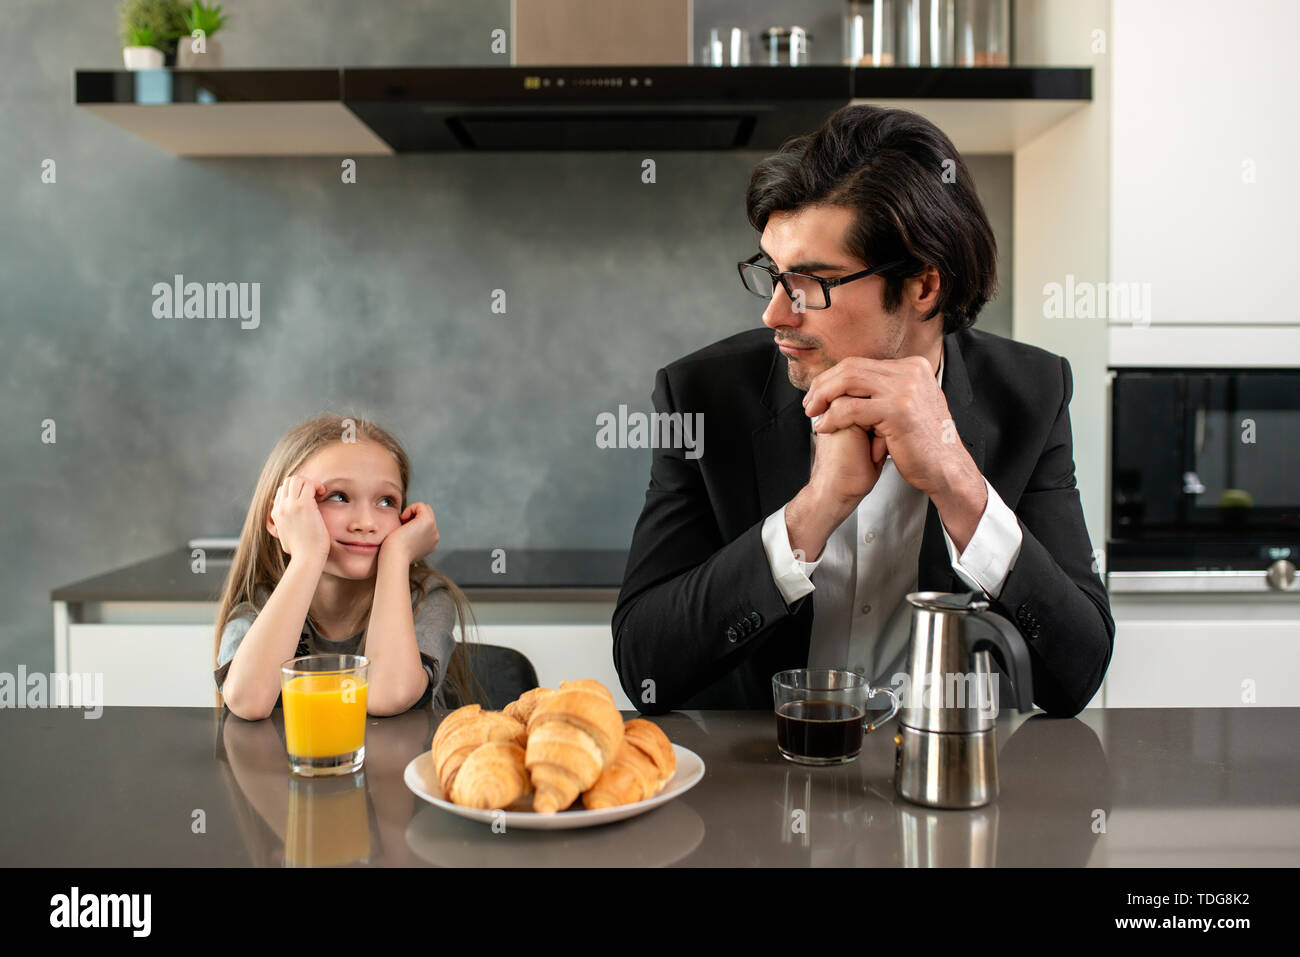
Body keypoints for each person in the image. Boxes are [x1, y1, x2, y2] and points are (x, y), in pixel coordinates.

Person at [612, 104, 1114, 719]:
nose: (774, 313)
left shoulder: (1032, 394)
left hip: (946, 782)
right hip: (754, 788)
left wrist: (959, 483)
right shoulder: (700, 397)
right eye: (773, 273)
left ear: (925, 287)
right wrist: (810, 513)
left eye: (812, 284)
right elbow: (646, 671)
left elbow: (1076, 677)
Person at [212, 414, 483, 720]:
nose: (366, 523)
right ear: (279, 516)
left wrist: (396, 555)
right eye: (339, 497)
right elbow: (249, 702)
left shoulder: (424, 598)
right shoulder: (261, 602)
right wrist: (307, 557)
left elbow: (386, 696)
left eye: (385, 502)